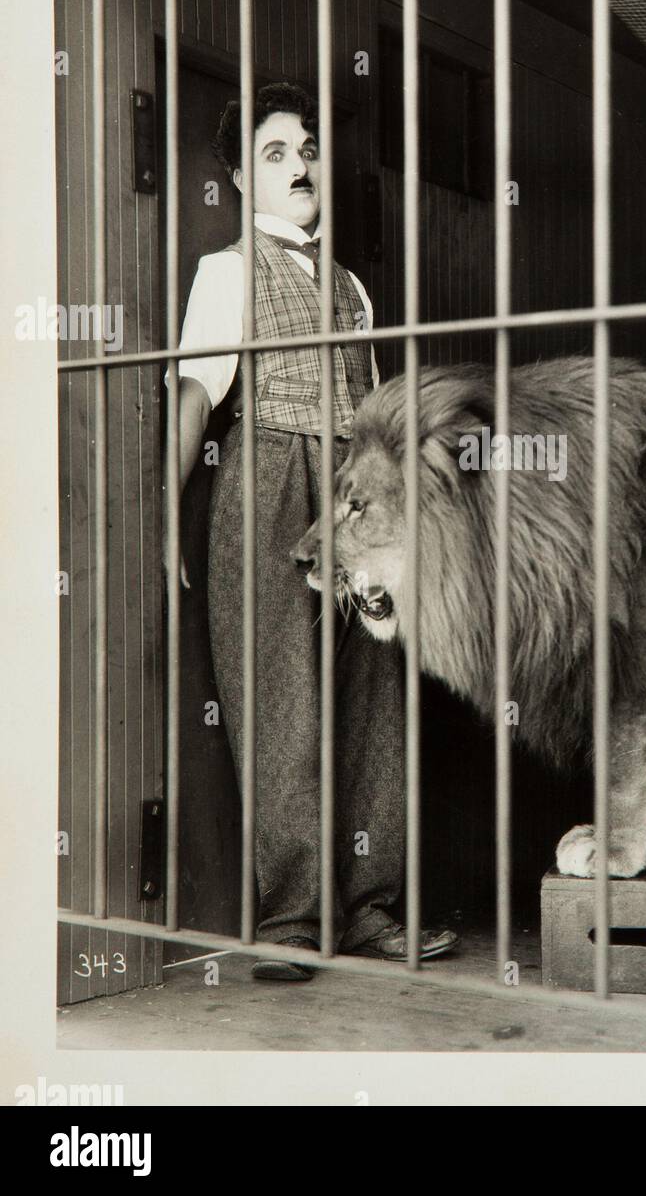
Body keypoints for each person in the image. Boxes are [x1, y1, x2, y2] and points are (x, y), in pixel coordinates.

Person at [163, 81, 457, 979]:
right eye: (276, 155)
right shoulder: (225, 272)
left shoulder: (353, 287)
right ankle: (291, 925)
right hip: (267, 479)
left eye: (309, 150)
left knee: (373, 693)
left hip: (353, 487)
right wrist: (166, 512)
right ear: (243, 183)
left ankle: (369, 909)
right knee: (280, 699)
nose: (300, 168)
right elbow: (193, 397)